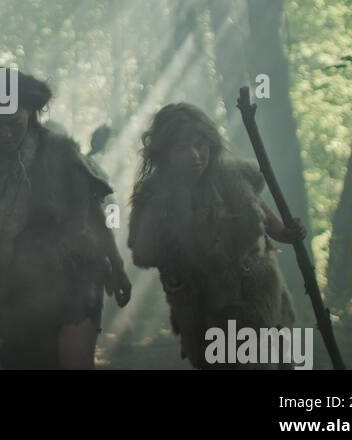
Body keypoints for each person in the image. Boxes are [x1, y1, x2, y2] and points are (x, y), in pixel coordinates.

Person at [127, 103, 305, 368]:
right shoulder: (156, 197)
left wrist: (289, 232)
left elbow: (270, 224)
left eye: (200, 144)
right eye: (182, 148)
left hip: (263, 299)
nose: (195, 155)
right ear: (165, 153)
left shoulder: (233, 178)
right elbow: (144, 251)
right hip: (207, 310)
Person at [0, 70, 131, 369]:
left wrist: (117, 265)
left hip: (70, 283)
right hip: (8, 293)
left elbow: (93, 209)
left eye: (13, 123)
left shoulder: (59, 152)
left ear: (30, 113)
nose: (5, 134)